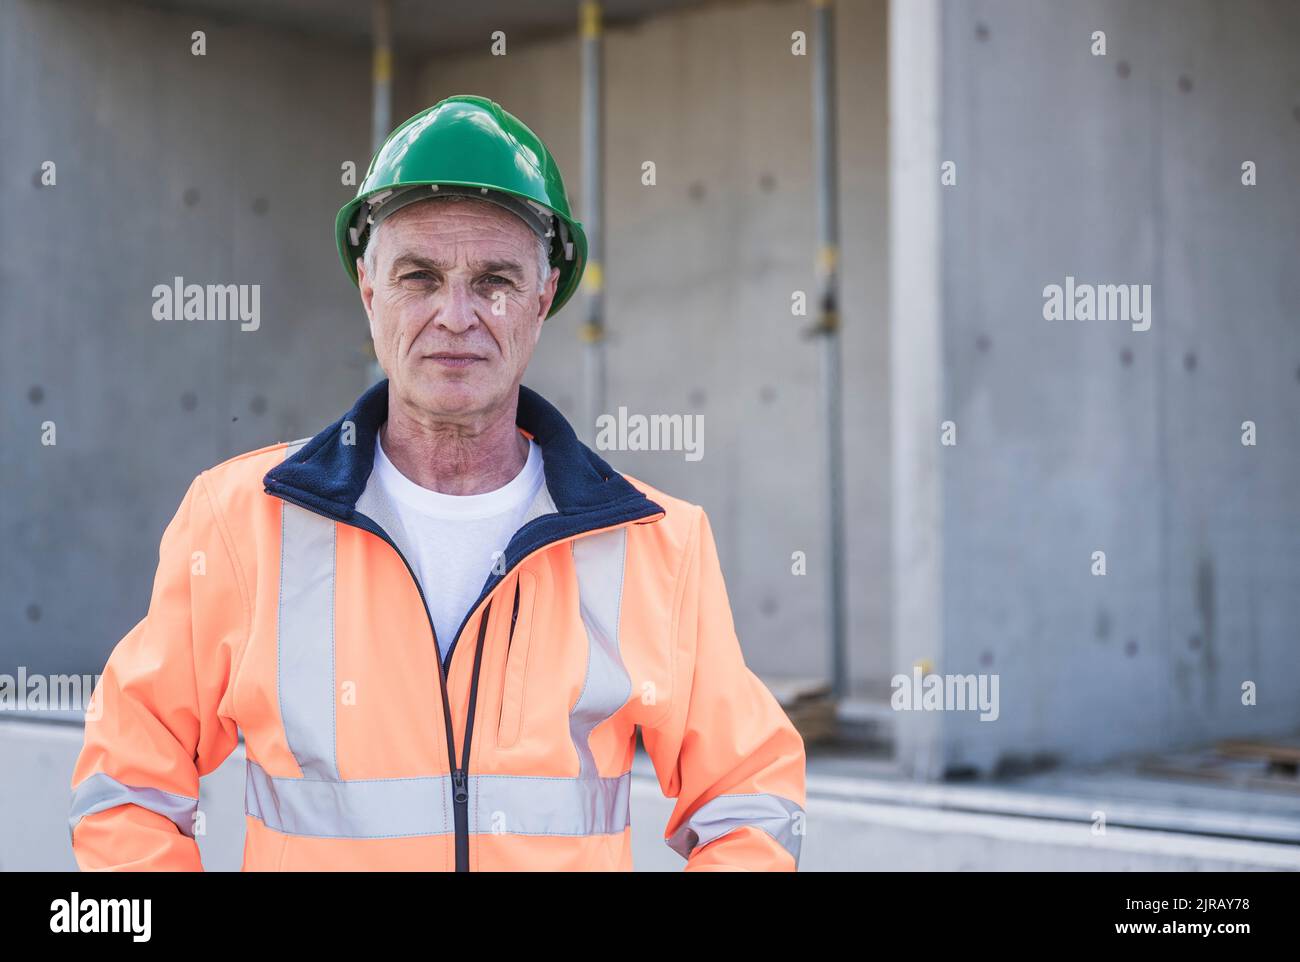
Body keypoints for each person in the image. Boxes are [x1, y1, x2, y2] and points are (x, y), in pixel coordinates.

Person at [69, 95, 806, 871]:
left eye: (494, 280)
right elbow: (126, 786)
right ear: (369, 290)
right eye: (420, 277)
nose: (456, 315)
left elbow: (748, 800)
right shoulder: (240, 524)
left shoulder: (656, 544)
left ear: (543, 296)